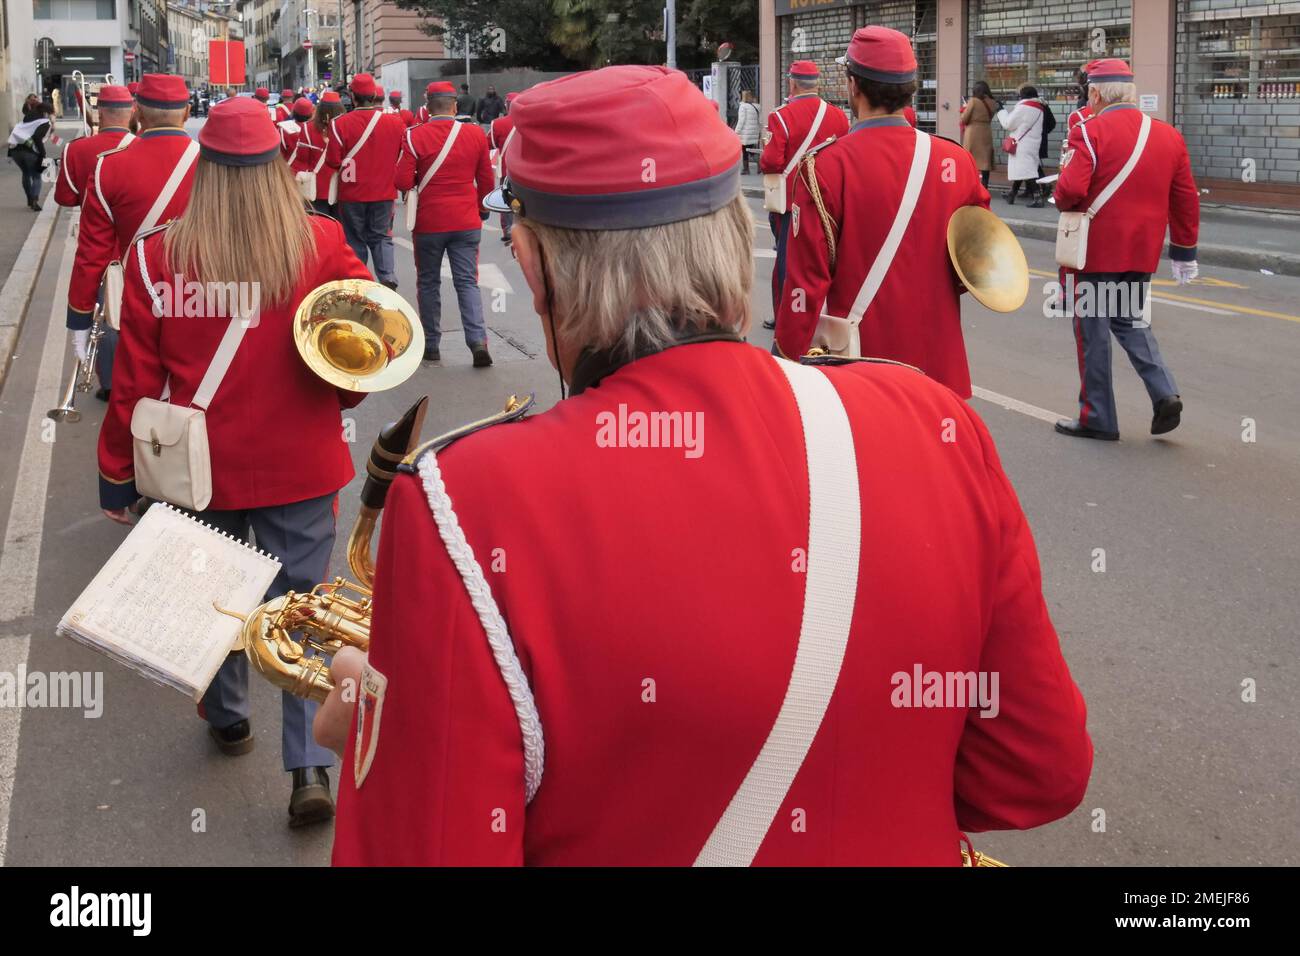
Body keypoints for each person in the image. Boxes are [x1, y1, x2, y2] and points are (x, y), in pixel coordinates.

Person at [313, 64, 1092, 866]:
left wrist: (387, 736)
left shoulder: (463, 503)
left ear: (534, 266)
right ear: (729, 238)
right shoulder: (936, 424)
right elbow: (1037, 772)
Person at [97, 97, 374, 828]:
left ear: (206, 168)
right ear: (279, 167)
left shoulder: (157, 255)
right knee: (303, 614)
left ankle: (227, 719)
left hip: (198, 466)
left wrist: (116, 472)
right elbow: (353, 362)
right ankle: (308, 767)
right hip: (302, 464)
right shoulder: (321, 244)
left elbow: (134, 382)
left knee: (213, 597)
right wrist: (336, 405)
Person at [775, 27, 990, 399]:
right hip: (938, 366)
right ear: (910, 88)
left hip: (861, 368)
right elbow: (976, 264)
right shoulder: (956, 160)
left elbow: (804, 287)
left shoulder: (823, 167)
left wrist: (785, 359)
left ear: (853, 86)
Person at [1053, 58, 1199, 441]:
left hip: (1096, 250)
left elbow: (1069, 191)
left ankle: (1097, 416)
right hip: (1141, 250)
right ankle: (1164, 391)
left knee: (1092, 333)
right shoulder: (1169, 136)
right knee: (1130, 320)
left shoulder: (1089, 132)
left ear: (1096, 93)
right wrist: (1184, 251)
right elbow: (1185, 198)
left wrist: (1059, 193)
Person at [67, 73, 198, 382]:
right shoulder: (212, 164)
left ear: (138, 112)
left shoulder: (108, 166)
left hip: (136, 297)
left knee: (137, 397)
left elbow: (91, 254)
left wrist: (80, 318)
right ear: (188, 112)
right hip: (200, 297)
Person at [396, 80, 494, 366]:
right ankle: (478, 341)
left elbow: (401, 181)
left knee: (428, 282)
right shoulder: (475, 134)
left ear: (428, 106)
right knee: (467, 282)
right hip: (465, 219)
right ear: (455, 105)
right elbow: (486, 179)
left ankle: (432, 345)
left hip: (429, 221)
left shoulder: (414, 136)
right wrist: (482, 209)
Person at [53, 84, 136, 398]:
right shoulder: (141, 146)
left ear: (100, 113)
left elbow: (65, 197)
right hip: (138, 249)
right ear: (131, 113)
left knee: (106, 315)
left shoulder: (76, 150)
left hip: (98, 246)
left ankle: (110, 384)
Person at [758, 60, 849, 330]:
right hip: (827, 200)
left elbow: (772, 162)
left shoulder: (781, 116)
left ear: (793, 83)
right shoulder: (838, 116)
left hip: (792, 201)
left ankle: (786, 316)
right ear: (816, 83)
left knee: (788, 262)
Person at [325, 73, 405, 289]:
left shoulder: (338, 124)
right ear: (374, 95)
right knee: (381, 236)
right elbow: (401, 155)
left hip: (352, 193)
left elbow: (333, 161)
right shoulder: (395, 122)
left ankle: (359, 282)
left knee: (354, 239)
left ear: (352, 97)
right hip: (384, 191)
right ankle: (387, 275)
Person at [292, 91, 343, 217]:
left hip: (316, 188)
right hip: (341, 186)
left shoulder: (307, 128)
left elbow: (302, 160)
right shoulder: (346, 126)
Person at [996, 85, 1046, 207]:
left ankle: (1037, 198)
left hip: (1021, 144)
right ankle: (1012, 194)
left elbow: (1008, 124)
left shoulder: (1023, 107)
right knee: (1022, 169)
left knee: (1027, 171)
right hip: (1032, 143)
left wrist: (1001, 111)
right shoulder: (1039, 108)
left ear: (1023, 96)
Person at [8, 101, 51, 211]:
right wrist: (43, 153)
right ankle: (35, 201)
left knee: (26, 173)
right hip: (29, 152)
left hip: (15, 151)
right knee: (36, 176)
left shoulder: (25, 119)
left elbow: (15, 134)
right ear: (46, 112)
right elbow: (37, 138)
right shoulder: (44, 122)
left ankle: (29, 198)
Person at [489, 91, 519, 244]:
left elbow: (492, 144)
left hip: (507, 169)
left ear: (506, 105)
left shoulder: (498, 124)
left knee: (506, 199)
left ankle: (508, 229)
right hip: (525, 171)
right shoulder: (530, 121)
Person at [959, 81, 997, 187]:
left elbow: (964, 119)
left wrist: (964, 109)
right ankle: (985, 185)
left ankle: (970, 184)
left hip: (973, 133)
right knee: (985, 160)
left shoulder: (973, 101)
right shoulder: (992, 102)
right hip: (986, 131)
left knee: (970, 159)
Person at [733, 90, 760, 174]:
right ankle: (760, 166)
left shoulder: (743, 107)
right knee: (752, 150)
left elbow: (741, 121)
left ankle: (746, 169)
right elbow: (760, 121)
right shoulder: (756, 107)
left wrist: (736, 132)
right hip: (754, 132)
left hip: (745, 133)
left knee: (745, 151)